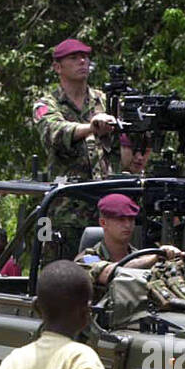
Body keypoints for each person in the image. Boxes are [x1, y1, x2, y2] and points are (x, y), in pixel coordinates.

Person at [32, 38, 119, 260]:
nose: (82, 61)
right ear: (57, 67)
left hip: (103, 209)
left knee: (103, 271)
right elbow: (55, 133)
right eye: (74, 57)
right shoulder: (46, 104)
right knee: (59, 274)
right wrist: (91, 127)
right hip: (64, 211)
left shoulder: (105, 100)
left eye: (85, 56)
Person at [75, 193, 183, 286]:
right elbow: (109, 273)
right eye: (121, 219)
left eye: (131, 219)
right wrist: (154, 258)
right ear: (103, 223)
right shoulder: (88, 259)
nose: (128, 225)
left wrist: (172, 259)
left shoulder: (142, 257)